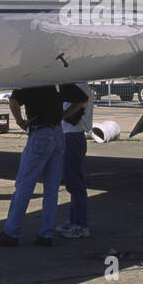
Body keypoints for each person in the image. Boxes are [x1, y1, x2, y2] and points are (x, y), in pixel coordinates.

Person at [0, 82, 87, 247]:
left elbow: (13, 101)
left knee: (24, 184)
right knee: (52, 188)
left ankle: (11, 232)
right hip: (57, 133)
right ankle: (46, 233)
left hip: (39, 132)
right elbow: (82, 100)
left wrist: (20, 121)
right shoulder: (57, 81)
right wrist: (62, 116)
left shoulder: (31, 79)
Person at [58, 83, 92, 239]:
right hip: (68, 135)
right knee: (72, 182)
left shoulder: (81, 88)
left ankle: (81, 224)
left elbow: (75, 113)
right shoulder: (74, 87)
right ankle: (74, 220)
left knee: (76, 182)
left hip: (73, 135)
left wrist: (60, 115)